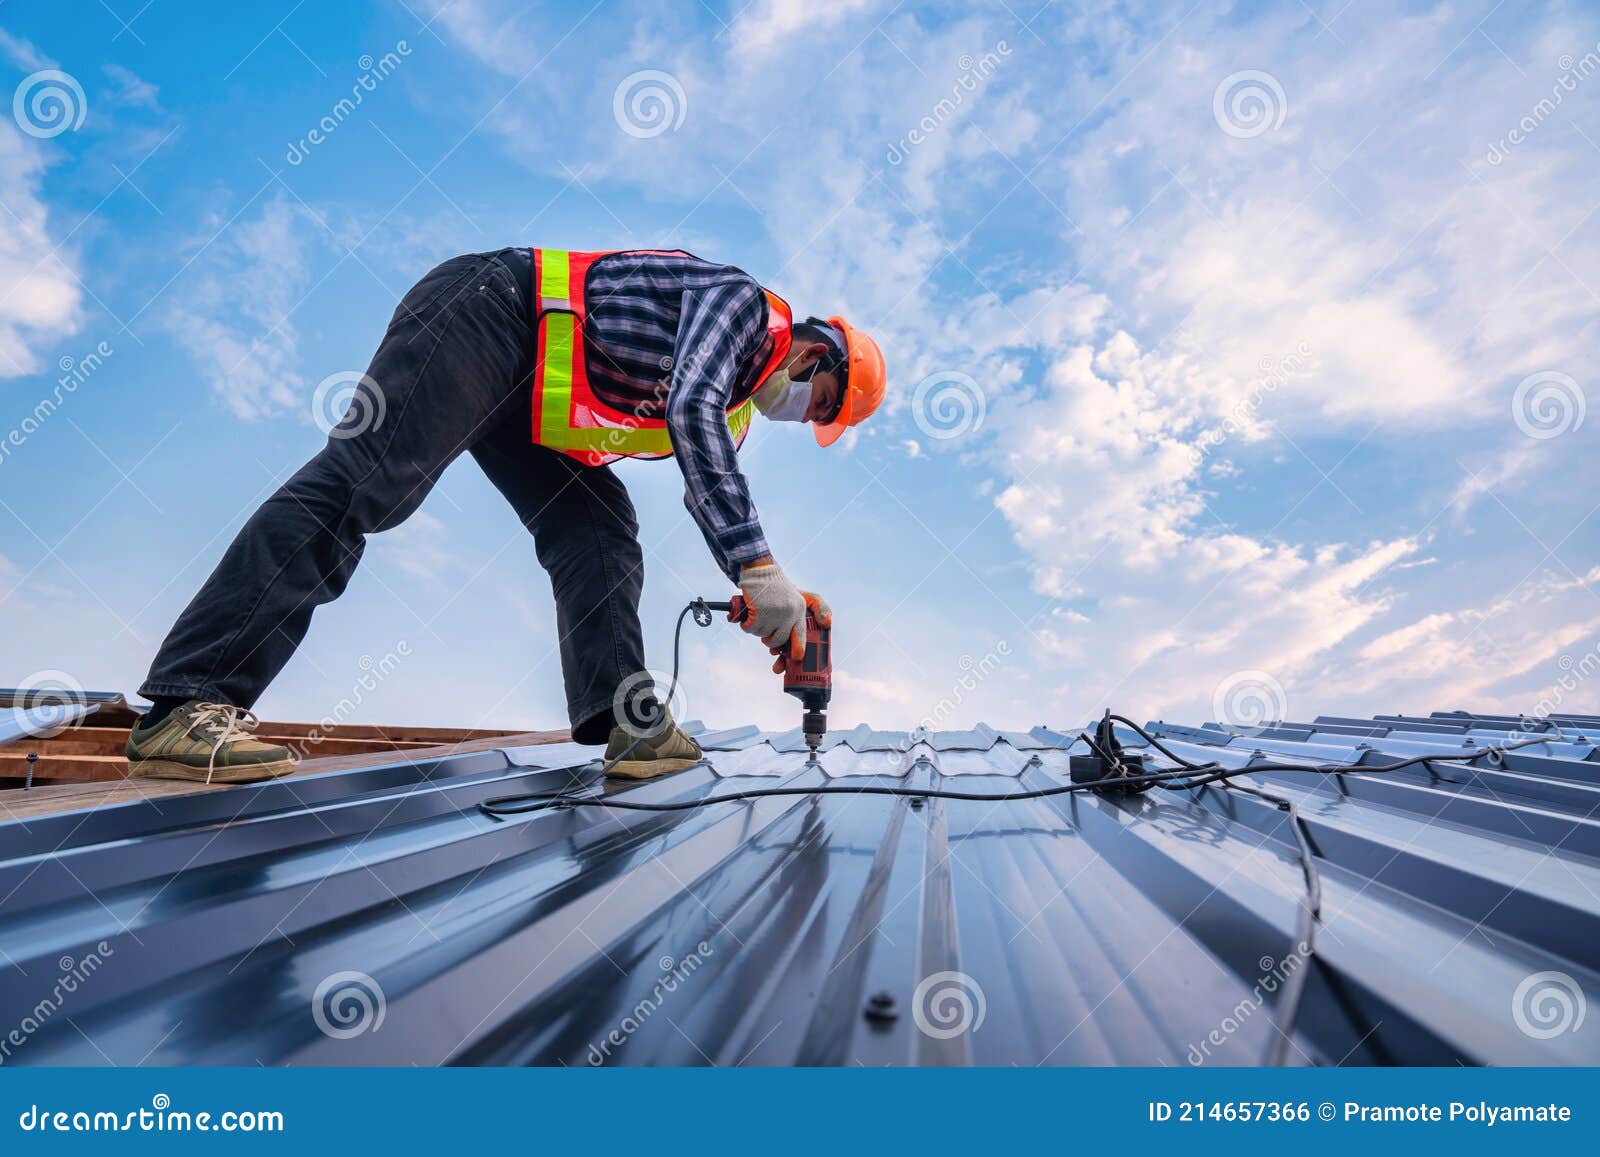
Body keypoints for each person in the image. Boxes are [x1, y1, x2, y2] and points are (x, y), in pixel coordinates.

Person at [125, 247, 886, 784]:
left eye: (815, 417)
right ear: (816, 352)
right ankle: (189, 702)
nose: (801, 413)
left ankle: (627, 722)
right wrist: (758, 566)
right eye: (818, 401)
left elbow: (706, 480)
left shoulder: (737, 405)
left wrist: (767, 587)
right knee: (368, 481)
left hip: (527, 396)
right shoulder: (744, 308)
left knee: (598, 528)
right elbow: (690, 409)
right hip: (490, 309)